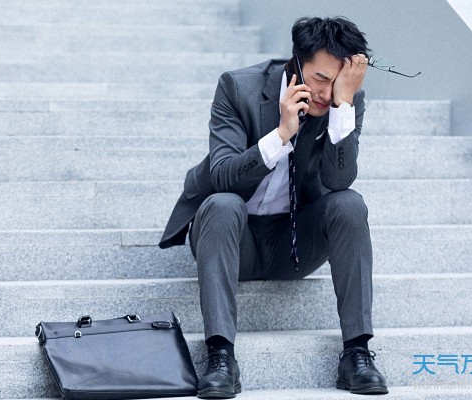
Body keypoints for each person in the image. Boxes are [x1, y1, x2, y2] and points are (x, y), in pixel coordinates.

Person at [159, 16, 388, 398]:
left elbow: (337, 181)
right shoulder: (238, 87)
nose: (326, 92)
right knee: (221, 203)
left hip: (294, 244)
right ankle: (220, 356)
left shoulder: (344, 100)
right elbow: (223, 175)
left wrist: (343, 105)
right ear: (295, 63)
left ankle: (357, 353)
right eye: (319, 79)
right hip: (233, 237)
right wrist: (281, 133)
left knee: (350, 204)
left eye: (338, 81)